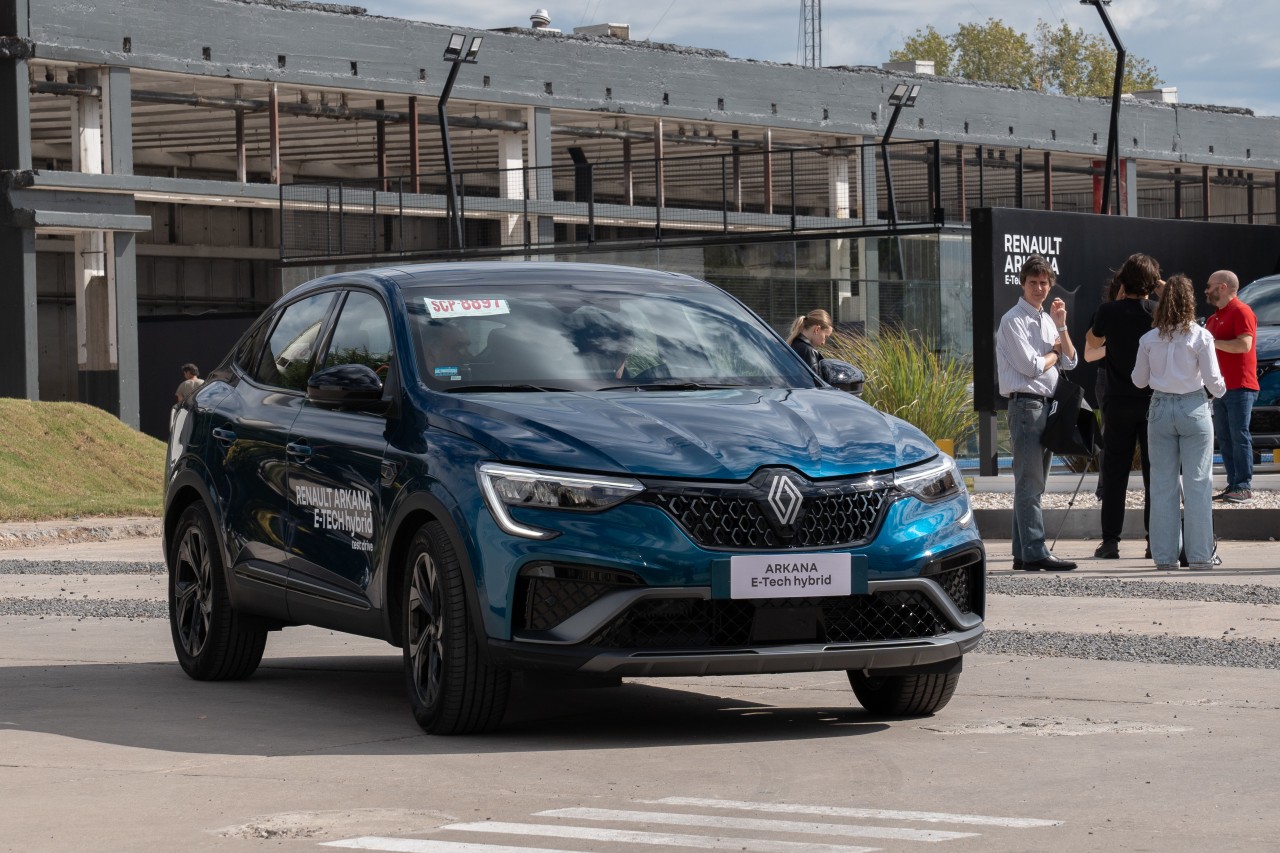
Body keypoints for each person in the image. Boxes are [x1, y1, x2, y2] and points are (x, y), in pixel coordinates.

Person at [1131, 274, 1226, 570]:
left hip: (1159, 408)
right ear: (1190, 302)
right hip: (1194, 406)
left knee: (1162, 485)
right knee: (1198, 483)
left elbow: (1138, 380)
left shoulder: (1148, 339)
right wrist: (1220, 391)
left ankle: (1164, 557)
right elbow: (1214, 382)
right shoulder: (1201, 336)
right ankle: (1199, 556)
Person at [996, 254, 1078, 571]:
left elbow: (1071, 360)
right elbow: (1030, 366)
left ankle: (1023, 553)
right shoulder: (1013, 320)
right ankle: (1035, 551)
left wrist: (1062, 327)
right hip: (1025, 405)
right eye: (1033, 282)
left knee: (1033, 483)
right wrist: (1054, 353)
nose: (1039, 288)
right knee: (1030, 484)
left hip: (1045, 405)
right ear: (1022, 283)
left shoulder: (1047, 319)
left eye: (1044, 283)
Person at [1085, 254, 1159, 559]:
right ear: (1152, 284)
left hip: (1117, 401)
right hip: (1152, 401)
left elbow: (1091, 341)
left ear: (1123, 281)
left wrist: (1115, 307)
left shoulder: (1109, 311)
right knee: (1155, 474)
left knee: (1115, 474)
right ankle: (1154, 539)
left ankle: (1111, 541)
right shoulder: (1157, 311)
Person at [1204, 270, 1259, 503]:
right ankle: (1233, 484)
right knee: (1225, 438)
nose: (1206, 290)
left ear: (1223, 287)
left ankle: (1243, 486)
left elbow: (1244, 345)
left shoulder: (1241, 311)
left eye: (1210, 285)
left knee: (1239, 435)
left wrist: (1211, 342)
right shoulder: (1214, 318)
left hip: (1241, 385)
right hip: (1221, 388)